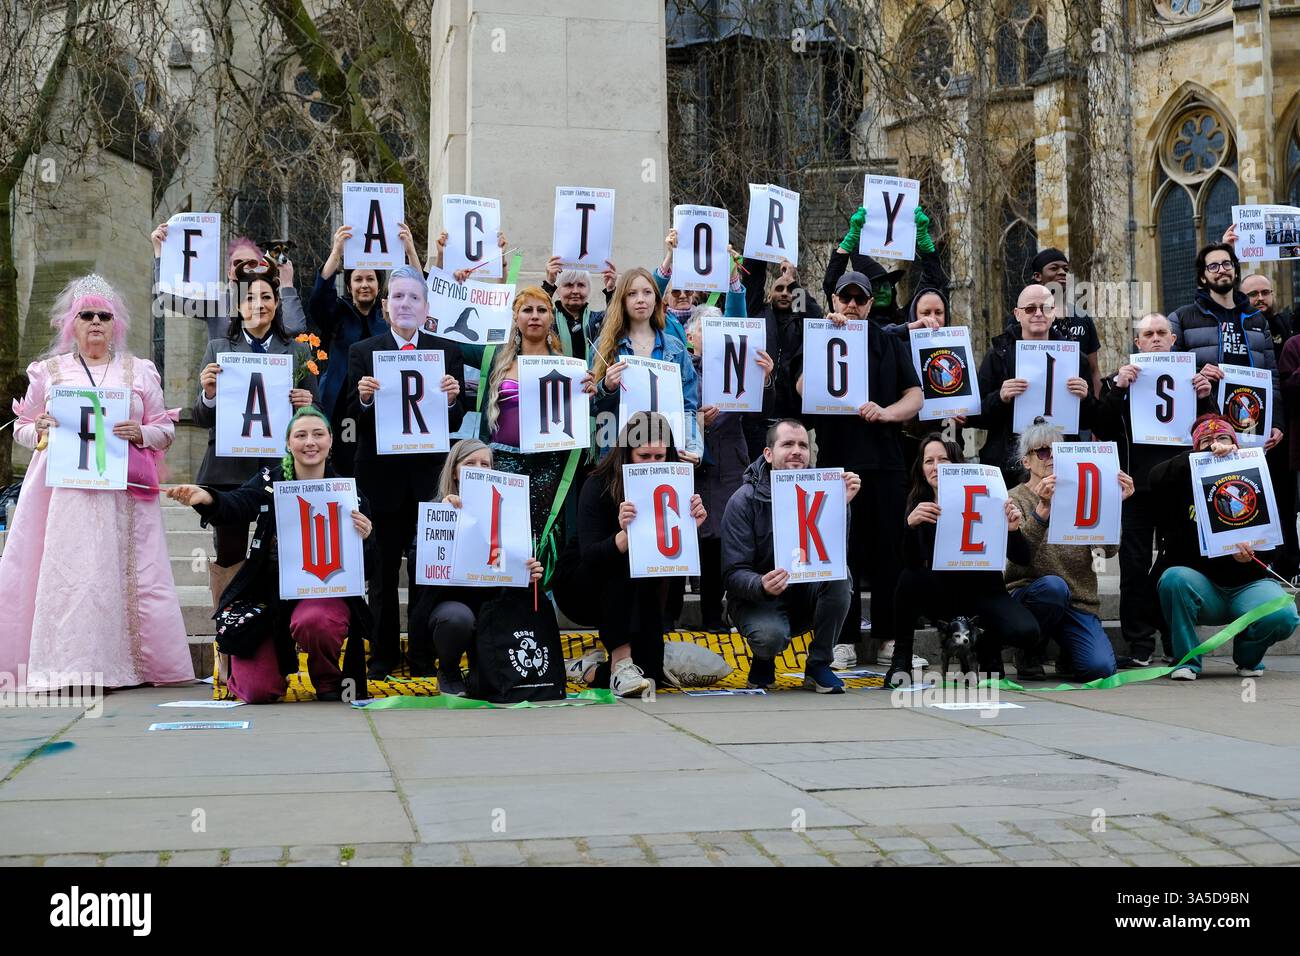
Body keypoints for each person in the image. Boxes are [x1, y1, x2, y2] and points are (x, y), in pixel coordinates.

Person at [0, 275, 193, 689]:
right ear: (72, 322)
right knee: (66, 574)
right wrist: (41, 430)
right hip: (61, 495)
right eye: (86, 315)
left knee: (113, 575)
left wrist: (141, 434)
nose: (95, 323)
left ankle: (119, 666)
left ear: (114, 323)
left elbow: (163, 428)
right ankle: (62, 665)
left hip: (121, 496)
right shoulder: (49, 372)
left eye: (103, 316)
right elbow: (23, 425)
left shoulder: (138, 372)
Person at [167, 407, 374, 703]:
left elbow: (370, 569)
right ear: (289, 444)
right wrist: (208, 497)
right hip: (269, 595)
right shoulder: (269, 480)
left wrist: (366, 538)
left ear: (330, 441)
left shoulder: (349, 494)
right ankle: (241, 667)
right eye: (300, 435)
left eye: (318, 434)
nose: (310, 442)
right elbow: (238, 503)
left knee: (315, 621)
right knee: (258, 692)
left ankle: (327, 677)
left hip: (321, 594)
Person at [793, 271, 925, 670]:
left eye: (860, 299)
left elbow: (916, 395)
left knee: (890, 554)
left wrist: (887, 414)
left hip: (886, 463)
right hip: (838, 460)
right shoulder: (818, 335)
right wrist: (823, 339)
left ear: (870, 303)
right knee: (840, 552)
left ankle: (887, 638)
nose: (852, 306)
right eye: (845, 298)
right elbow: (800, 385)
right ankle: (843, 639)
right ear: (833, 300)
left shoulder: (887, 340)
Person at [348, 264, 467, 678]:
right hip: (379, 481)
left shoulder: (447, 351)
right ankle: (381, 656)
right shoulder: (363, 352)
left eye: (413, 297)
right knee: (380, 576)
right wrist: (362, 400)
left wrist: (454, 400)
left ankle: (421, 657)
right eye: (397, 296)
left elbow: (458, 418)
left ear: (426, 307)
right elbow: (347, 417)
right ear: (385, 306)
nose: (405, 304)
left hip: (427, 481)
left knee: (427, 570)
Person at [192, 263, 316, 611]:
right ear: (238, 304)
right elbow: (202, 417)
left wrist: (307, 405)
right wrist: (209, 394)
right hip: (227, 472)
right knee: (229, 554)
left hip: (280, 470)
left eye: (266, 296)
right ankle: (229, 638)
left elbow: (318, 420)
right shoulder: (219, 348)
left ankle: (276, 638)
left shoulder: (297, 352)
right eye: (250, 297)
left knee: (280, 553)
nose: (258, 304)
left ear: (277, 303)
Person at [1092, 313, 1213, 666]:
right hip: (1136, 489)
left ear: (1174, 340)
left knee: (1176, 564)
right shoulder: (1122, 379)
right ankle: (1139, 644)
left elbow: (1212, 431)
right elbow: (1100, 425)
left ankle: (1174, 638)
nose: (1156, 338)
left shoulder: (1192, 378)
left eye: (1162, 333)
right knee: (1133, 567)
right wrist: (1118, 390)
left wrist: (1205, 399)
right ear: (1138, 342)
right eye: (1149, 334)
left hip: (1179, 489)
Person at [1149, 413, 1300, 680]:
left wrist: (1251, 555)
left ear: (1235, 443)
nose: (1215, 444)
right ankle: (1186, 661)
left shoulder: (1254, 473)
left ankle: (1248, 658)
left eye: (1222, 438)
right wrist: (1201, 457)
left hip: (1247, 585)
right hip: (1202, 587)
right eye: (1205, 441)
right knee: (1173, 579)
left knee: (1284, 613)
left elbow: (1275, 543)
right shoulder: (1180, 479)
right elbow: (1155, 477)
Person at [887, 433, 1041, 685]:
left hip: (985, 591)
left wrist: (1013, 531)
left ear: (957, 463)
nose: (935, 466)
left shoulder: (987, 496)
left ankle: (985, 645)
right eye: (929, 461)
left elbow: (1022, 558)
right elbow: (910, 563)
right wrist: (910, 527)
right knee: (908, 578)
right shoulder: (918, 503)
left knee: (1027, 632)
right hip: (942, 595)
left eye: (943, 459)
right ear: (921, 468)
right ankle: (900, 659)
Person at [721, 418, 859, 694]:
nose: (797, 451)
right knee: (770, 637)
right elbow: (732, 572)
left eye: (802, 445)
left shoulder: (828, 494)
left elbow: (833, 557)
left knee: (842, 575)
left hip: (805, 592)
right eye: (788, 444)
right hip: (758, 599)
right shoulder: (743, 500)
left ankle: (819, 664)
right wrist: (760, 584)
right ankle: (763, 660)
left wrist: (838, 507)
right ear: (768, 454)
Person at [576, 412, 707, 696]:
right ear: (627, 453)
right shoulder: (598, 484)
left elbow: (670, 559)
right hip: (589, 583)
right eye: (643, 456)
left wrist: (689, 527)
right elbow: (590, 558)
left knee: (651, 675)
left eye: (659, 457)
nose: (652, 464)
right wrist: (624, 535)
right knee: (624, 563)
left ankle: (592, 669)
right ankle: (620, 660)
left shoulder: (675, 484)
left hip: (643, 590)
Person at [405, 439, 544, 691]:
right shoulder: (437, 509)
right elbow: (418, 568)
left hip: (493, 607)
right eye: (470, 463)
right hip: (449, 609)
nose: (479, 468)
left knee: (487, 683)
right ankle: (448, 671)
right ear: (455, 473)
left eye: (485, 464)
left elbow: (512, 568)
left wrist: (530, 574)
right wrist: (445, 522)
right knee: (458, 618)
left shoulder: (509, 514)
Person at [1005, 418, 1134, 681]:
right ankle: (1028, 650)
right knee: (1053, 588)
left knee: (1099, 669)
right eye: (1042, 452)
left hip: (1077, 599)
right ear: (1026, 461)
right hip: (1033, 594)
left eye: (1056, 451)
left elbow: (1107, 551)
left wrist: (1113, 506)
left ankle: (1069, 652)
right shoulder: (1013, 497)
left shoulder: (1083, 493)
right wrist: (1042, 510)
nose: (1050, 457)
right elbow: (1019, 558)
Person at [310, 221, 422, 473]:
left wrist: (410, 251)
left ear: (378, 284)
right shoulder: (337, 313)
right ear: (349, 286)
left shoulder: (391, 318)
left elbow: (420, 293)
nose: (364, 284)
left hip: (385, 402)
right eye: (357, 279)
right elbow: (318, 300)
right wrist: (336, 252)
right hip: (341, 404)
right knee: (344, 463)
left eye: (370, 279)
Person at [685, 306, 767, 632]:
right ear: (691, 336)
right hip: (696, 466)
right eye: (707, 327)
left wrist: (767, 378)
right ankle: (706, 615)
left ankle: (730, 609)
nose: (715, 332)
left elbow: (763, 412)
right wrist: (696, 423)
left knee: (729, 537)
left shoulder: (741, 367)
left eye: (720, 326)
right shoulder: (683, 369)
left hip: (731, 462)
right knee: (701, 538)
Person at [973, 283, 1095, 486]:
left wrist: (1086, 398)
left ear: (1054, 313)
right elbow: (974, 416)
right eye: (1030, 309)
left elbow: (1089, 421)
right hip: (1008, 466)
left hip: (1060, 466)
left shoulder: (1076, 358)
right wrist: (1000, 397)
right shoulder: (998, 355)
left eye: (1045, 308)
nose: (1038, 314)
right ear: (1017, 314)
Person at [1167, 242, 1283, 453]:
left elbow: (1271, 376)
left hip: (1250, 423)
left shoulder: (1257, 320)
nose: (1221, 269)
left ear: (1235, 271)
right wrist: (1198, 373)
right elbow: (1169, 371)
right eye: (1213, 266)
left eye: (1227, 264)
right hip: (1205, 425)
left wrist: (1276, 421)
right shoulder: (1182, 318)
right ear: (1203, 277)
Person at [590, 266, 703, 462]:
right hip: (617, 453)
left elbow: (687, 407)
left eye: (647, 292)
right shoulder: (605, 346)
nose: (641, 299)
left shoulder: (676, 348)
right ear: (622, 301)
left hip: (663, 453)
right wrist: (607, 388)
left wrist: (693, 448)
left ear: (657, 299)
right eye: (632, 294)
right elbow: (591, 407)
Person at [150, 226, 307, 340]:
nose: (243, 267)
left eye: (251, 263)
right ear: (229, 272)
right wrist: (160, 254)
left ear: (260, 268)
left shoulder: (269, 301)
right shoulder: (217, 302)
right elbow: (168, 300)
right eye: (237, 262)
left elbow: (295, 328)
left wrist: (286, 284)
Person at [739, 256, 824, 460]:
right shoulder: (757, 313)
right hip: (760, 418)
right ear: (769, 294)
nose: (785, 293)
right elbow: (752, 278)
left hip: (794, 418)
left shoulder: (802, 320)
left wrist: (792, 279)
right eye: (779, 289)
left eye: (790, 290)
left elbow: (815, 315)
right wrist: (759, 251)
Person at [821, 204, 947, 326]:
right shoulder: (850, 320)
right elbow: (831, 284)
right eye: (876, 285)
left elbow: (932, 282)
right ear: (866, 296)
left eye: (886, 285)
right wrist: (848, 242)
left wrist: (926, 246)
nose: (882, 291)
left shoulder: (906, 319)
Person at [1028, 248, 1102, 397]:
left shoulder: (1082, 317)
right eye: (1054, 268)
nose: (1062, 272)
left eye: (1066, 269)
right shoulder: (1025, 317)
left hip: (1081, 405)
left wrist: (1098, 407)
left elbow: (1094, 370)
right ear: (1037, 276)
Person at [542, 256, 617, 358]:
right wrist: (550, 283)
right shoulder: (548, 320)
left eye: (581, 285)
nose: (575, 291)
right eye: (569, 285)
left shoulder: (599, 320)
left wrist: (611, 290)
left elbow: (617, 321)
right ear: (558, 290)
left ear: (589, 289)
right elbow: (537, 312)